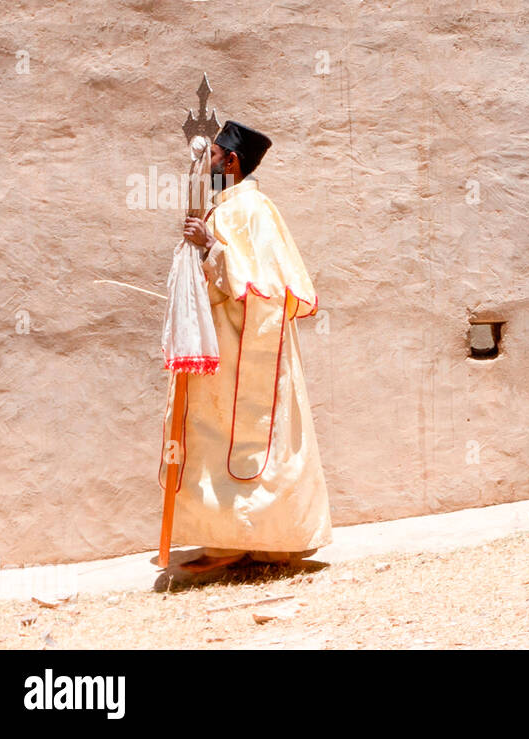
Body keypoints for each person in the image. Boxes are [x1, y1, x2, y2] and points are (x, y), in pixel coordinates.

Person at [166, 120, 332, 572]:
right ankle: (229, 541)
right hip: (222, 348)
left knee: (257, 442)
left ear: (232, 161)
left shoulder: (253, 210)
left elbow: (266, 287)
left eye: (214, 157)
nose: (209, 163)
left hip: (252, 351)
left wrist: (209, 247)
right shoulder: (223, 208)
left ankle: (274, 540)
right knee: (215, 440)